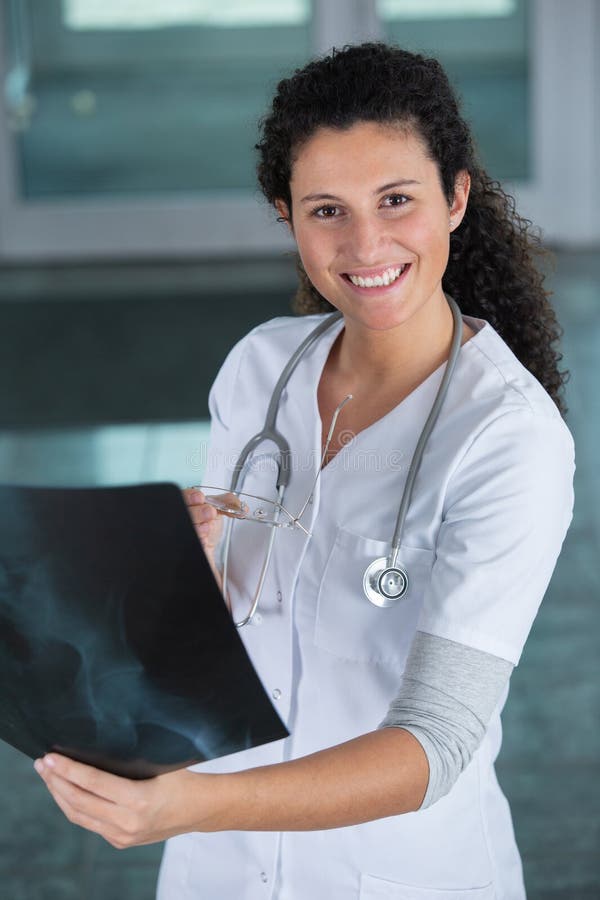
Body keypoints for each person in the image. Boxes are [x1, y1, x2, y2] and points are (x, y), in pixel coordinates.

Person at [34, 43, 574, 899]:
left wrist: (194, 806)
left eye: (397, 200)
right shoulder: (259, 369)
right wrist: (178, 560)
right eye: (328, 210)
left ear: (457, 197)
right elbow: (225, 628)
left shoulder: (509, 440)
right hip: (219, 867)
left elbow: (438, 738)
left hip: (394, 872)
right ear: (285, 214)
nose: (366, 245)